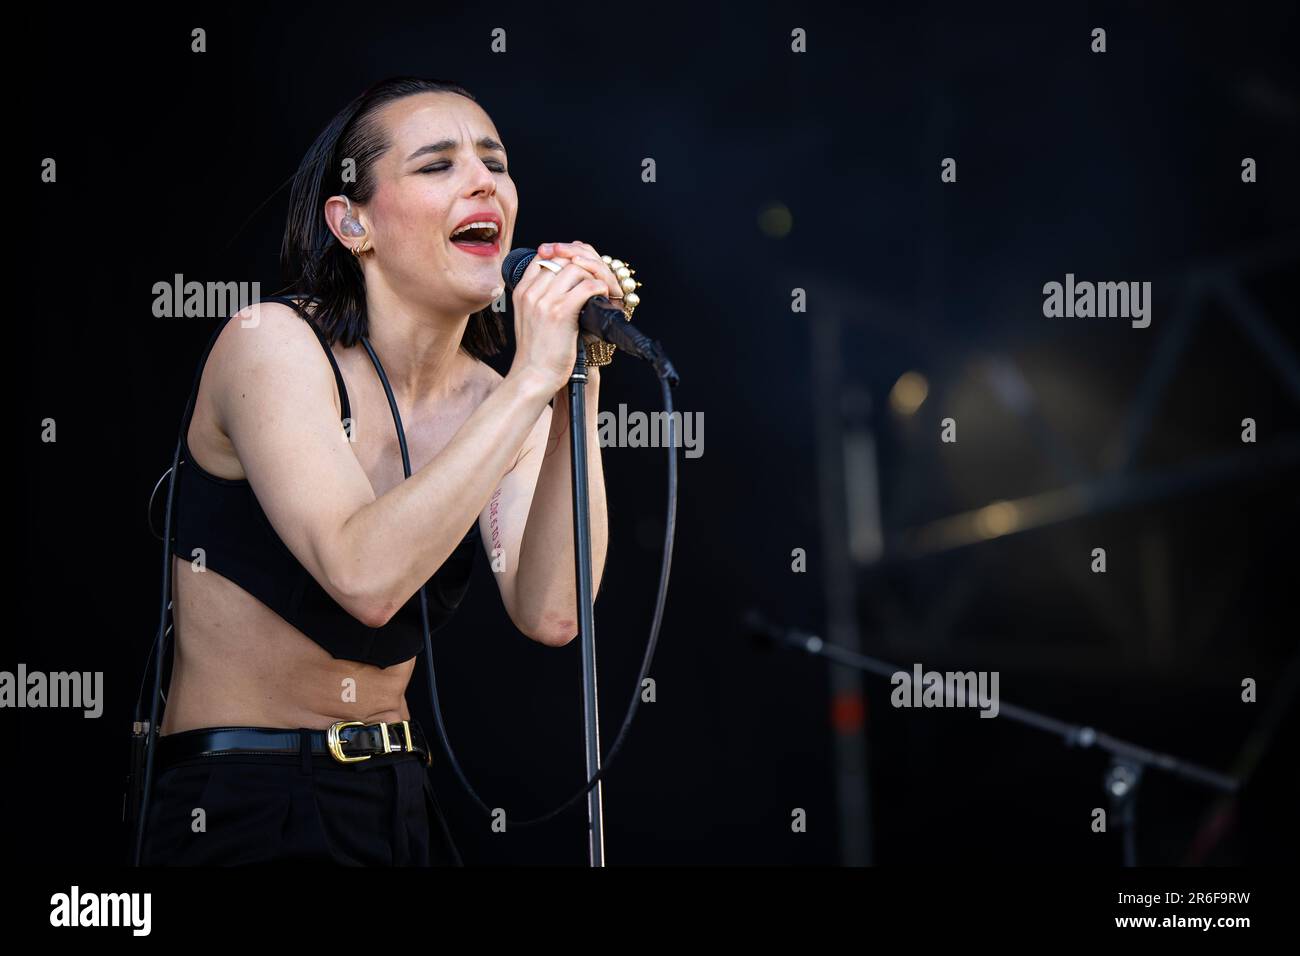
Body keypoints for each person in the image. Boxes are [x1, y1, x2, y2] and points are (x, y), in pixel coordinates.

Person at [139, 76, 620, 865]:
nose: (482, 182)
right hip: (244, 797)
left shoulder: (500, 398)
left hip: (395, 792)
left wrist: (575, 387)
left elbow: (555, 612)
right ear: (351, 221)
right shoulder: (270, 344)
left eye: (495, 163)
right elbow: (365, 578)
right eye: (437, 165)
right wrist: (532, 380)